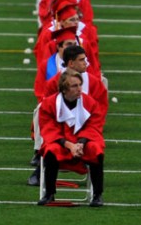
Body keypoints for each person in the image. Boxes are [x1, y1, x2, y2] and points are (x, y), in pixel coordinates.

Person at [38, 69, 105, 207]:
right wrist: (70, 146)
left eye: (80, 84)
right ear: (64, 89)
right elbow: (49, 130)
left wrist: (80, 144)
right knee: (51, 150)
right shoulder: (49, 104)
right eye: (74, 86)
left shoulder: (89, 102)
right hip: (61, 143)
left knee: (96, 149)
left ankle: (97, 195)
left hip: (83, 143)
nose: (80, 89)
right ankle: (49, 193)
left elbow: (94, 126)